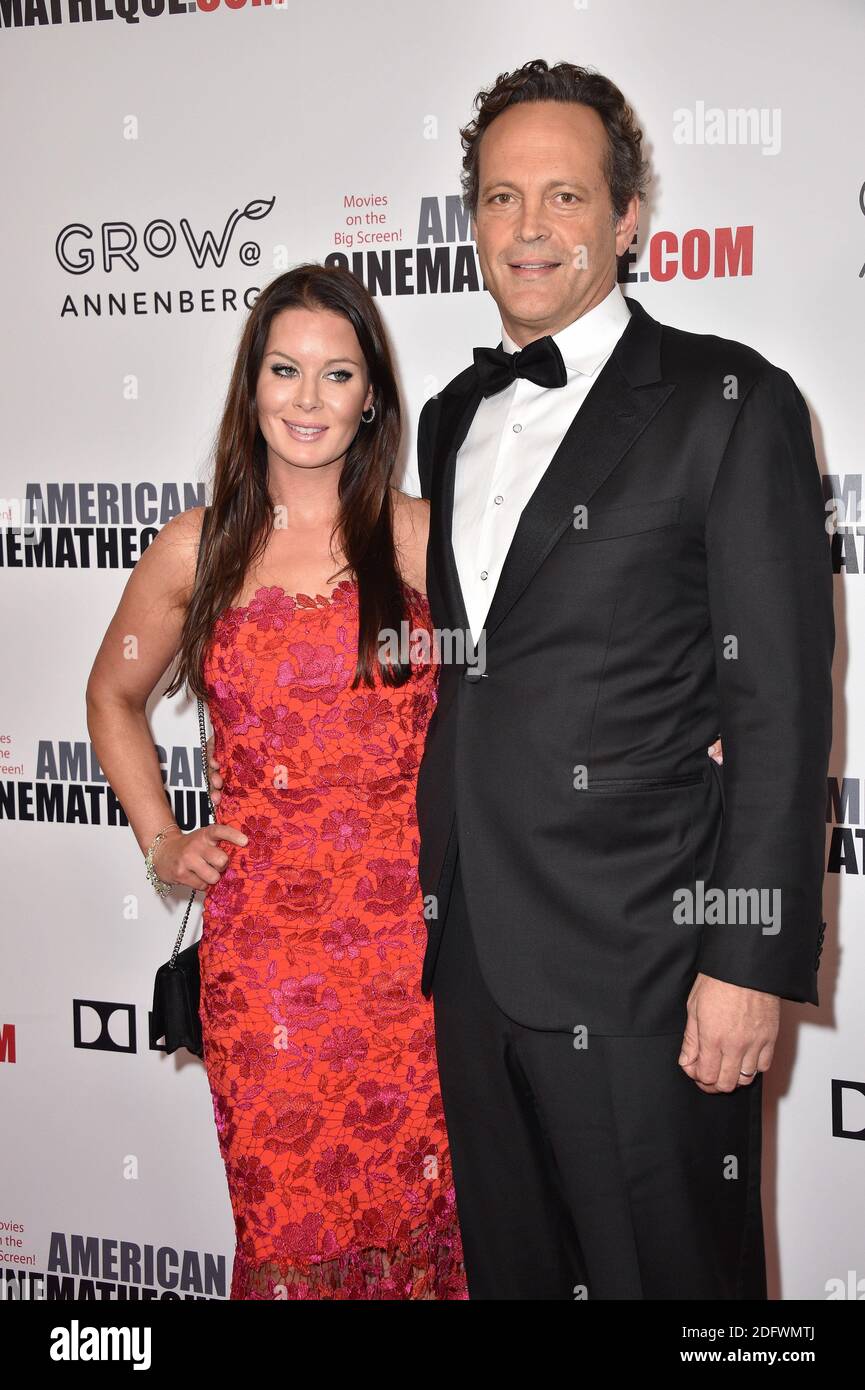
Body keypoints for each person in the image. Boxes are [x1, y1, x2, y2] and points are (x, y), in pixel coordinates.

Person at [413, 60, 834, 1299]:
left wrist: (749, 963)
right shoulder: (450, 416)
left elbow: (781, 706)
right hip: (473, 951)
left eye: (563, 196)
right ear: (471, 219)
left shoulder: (730, 400)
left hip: (652, 968)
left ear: (628, 218)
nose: (528, 229)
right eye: (499, 197)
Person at [85, 264, 468, 1300]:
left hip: (417, 950)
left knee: (433, 1224)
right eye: (284, 371)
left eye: (336, 374)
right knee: (291, 1225)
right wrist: (162, 840)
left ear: (372, 394)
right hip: (267, 962)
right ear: (250, 386)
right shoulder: (195, 546)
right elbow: (111, 698)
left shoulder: (426, 537)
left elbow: (540, 678)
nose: (307, 400)